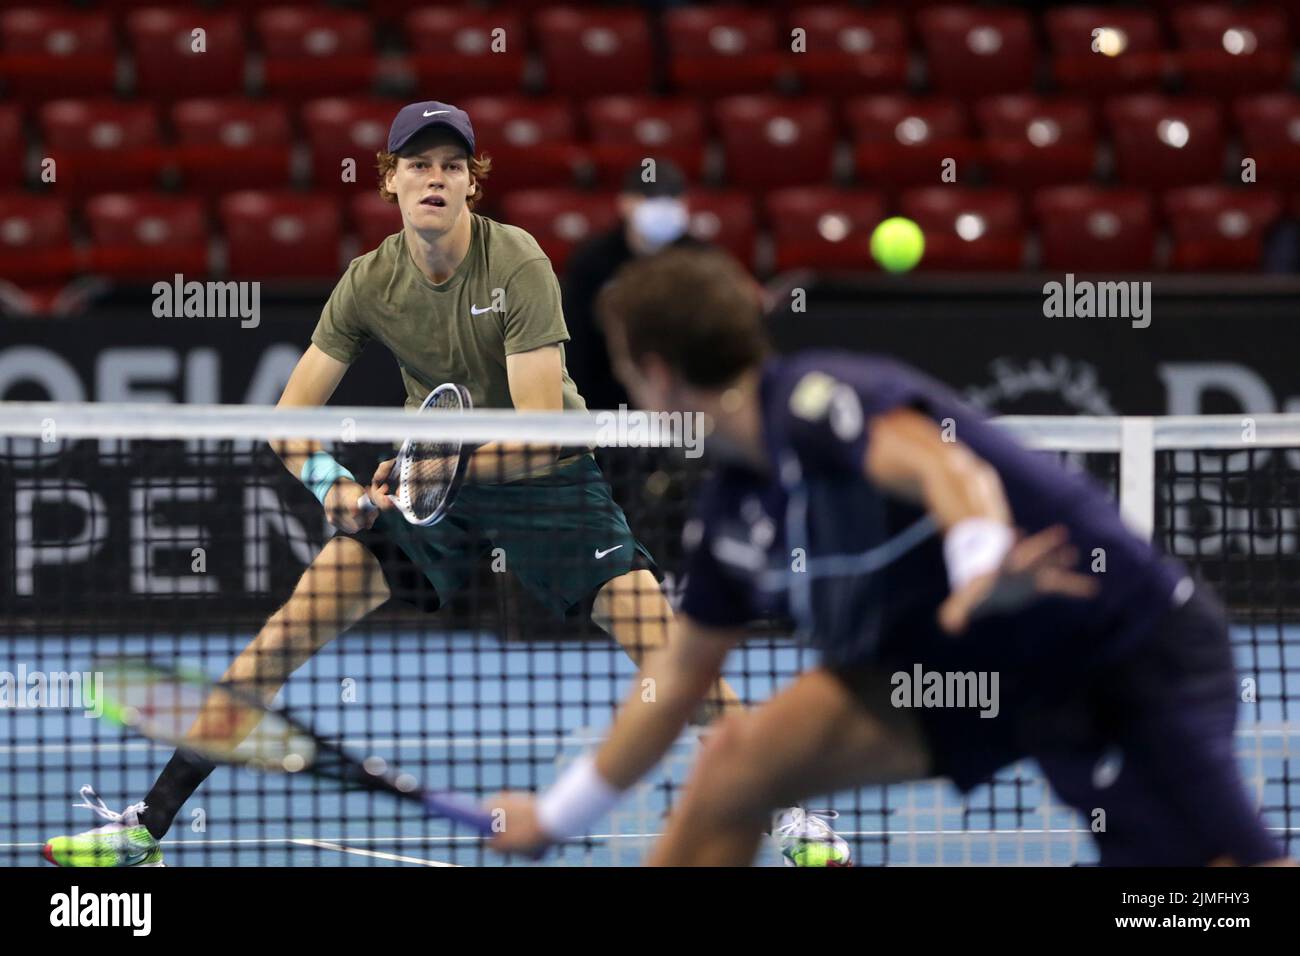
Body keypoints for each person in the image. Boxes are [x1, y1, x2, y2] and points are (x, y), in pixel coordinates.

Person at [42, 102, 750, 867]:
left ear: (471, 184)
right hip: (432, 485)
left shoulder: (517, 261)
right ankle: (147, 824)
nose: (435, 179)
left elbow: (542, 429)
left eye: (451, 166)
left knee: (667, 648)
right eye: (419, 165)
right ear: (391, 181)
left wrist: (447, 467)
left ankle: (788, 814)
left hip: (546, 479)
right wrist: (332, 486)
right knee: (284, 633)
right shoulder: (369, 282)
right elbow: (289, 418)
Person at [487, 247, 1291, 867]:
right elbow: (674, 686)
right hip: (961, 662)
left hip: (1120, 650)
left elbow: (944, 467)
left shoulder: (814, 401)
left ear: (655, 374)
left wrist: (979, 564)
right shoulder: (733, 511)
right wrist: (558, 817)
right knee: (737, 763)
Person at [562, 160, 704, 413]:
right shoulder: (591, 263)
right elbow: (576, 342)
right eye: (649, 198)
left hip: (688, 406)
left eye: (671, 198)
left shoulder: (703, 260)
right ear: (625, 203)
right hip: (606, 405)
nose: (661, 207)